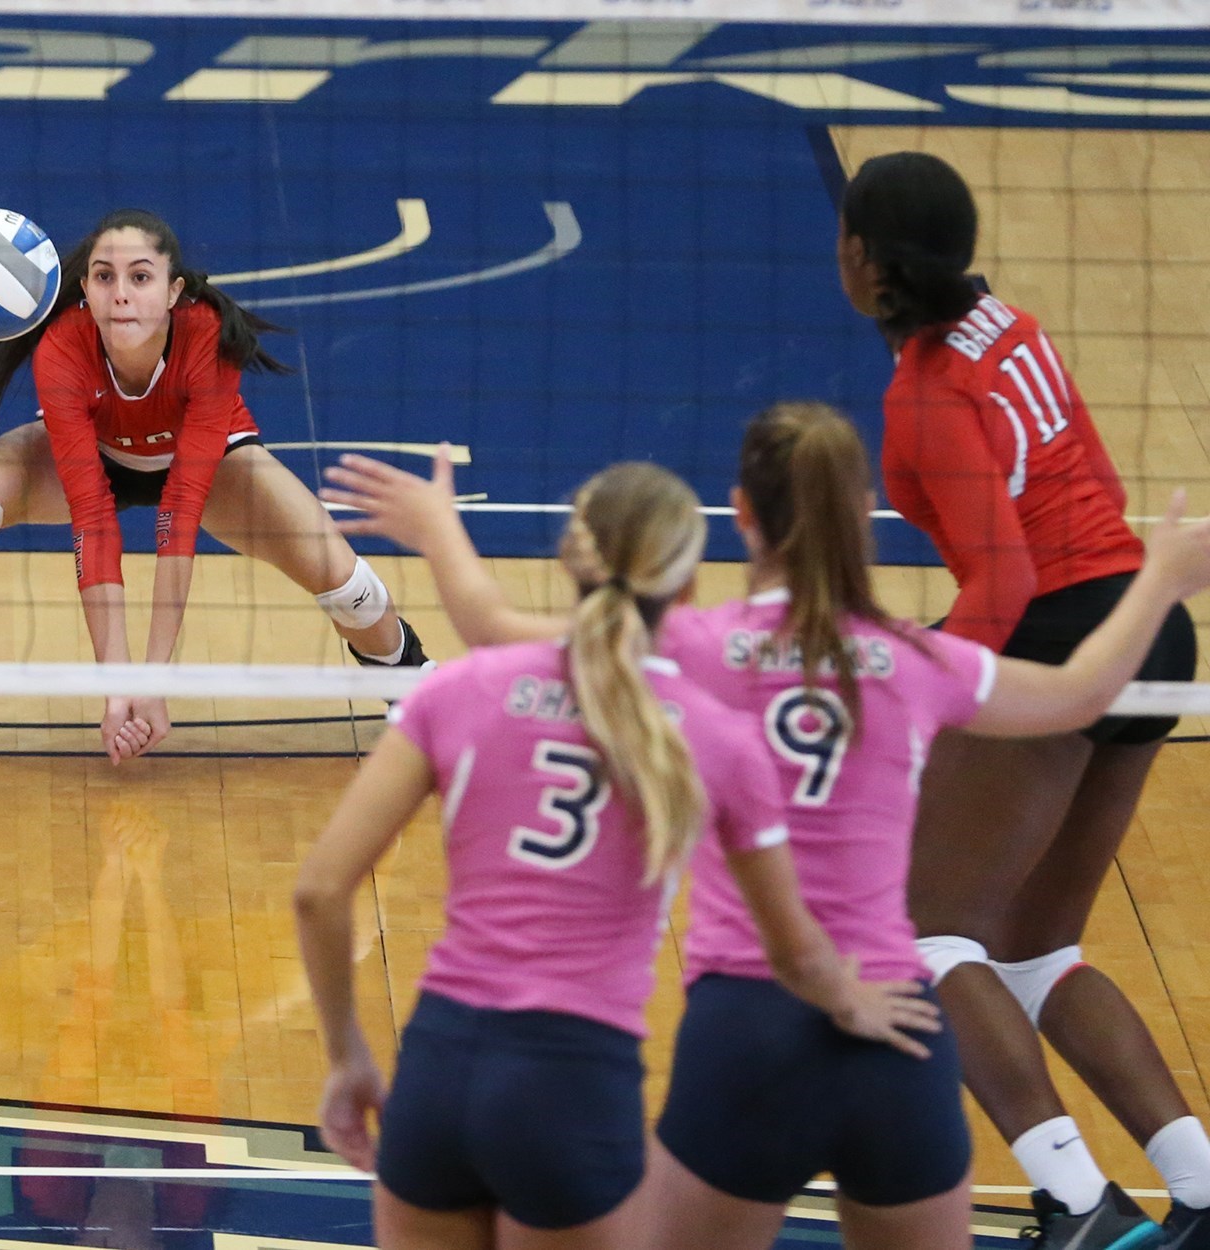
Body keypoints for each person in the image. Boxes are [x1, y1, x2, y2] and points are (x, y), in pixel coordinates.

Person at [318, 402, 1210, 1250]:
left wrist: (439, 531)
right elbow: (1082, 692)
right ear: (863, 512)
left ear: (740, 513)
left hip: (746, 1025)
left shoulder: (693, 648)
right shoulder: (919, 659)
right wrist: (1161, 581)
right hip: (894, 1024)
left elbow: (496, 630)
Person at [294, 460, 938, 1250]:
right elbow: (795, 951)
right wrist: (850, 1000)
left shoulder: (458, 690)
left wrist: (347, 1056)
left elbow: (318, 891)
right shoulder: (718, 738)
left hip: (439, 1070)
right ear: (689, 584)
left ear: (570, 559)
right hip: (572, 1087)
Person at [842, 150, 1206, 1250]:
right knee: (1034, 946)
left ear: (860, 258)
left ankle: (1076, 1202)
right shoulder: (1007, 325)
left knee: (915, 933)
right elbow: (1081, 497)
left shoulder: (924, 396)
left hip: (1054, 638)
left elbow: (1001, 582)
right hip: (1146, 626)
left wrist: (920, 703)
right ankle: (1199, 1189)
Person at [0, 208, 427, 762]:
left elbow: (181, 513)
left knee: (345, 581)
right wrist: (118, 684)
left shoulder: (207, 336)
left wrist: (154, 679)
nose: (121, 293)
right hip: (99, 457)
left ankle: (415, 686)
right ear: (85, 289)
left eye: (140, 277)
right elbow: (92, 517)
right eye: (105, 277)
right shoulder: (63, 345)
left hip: (211, 466)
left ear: (174, 292)